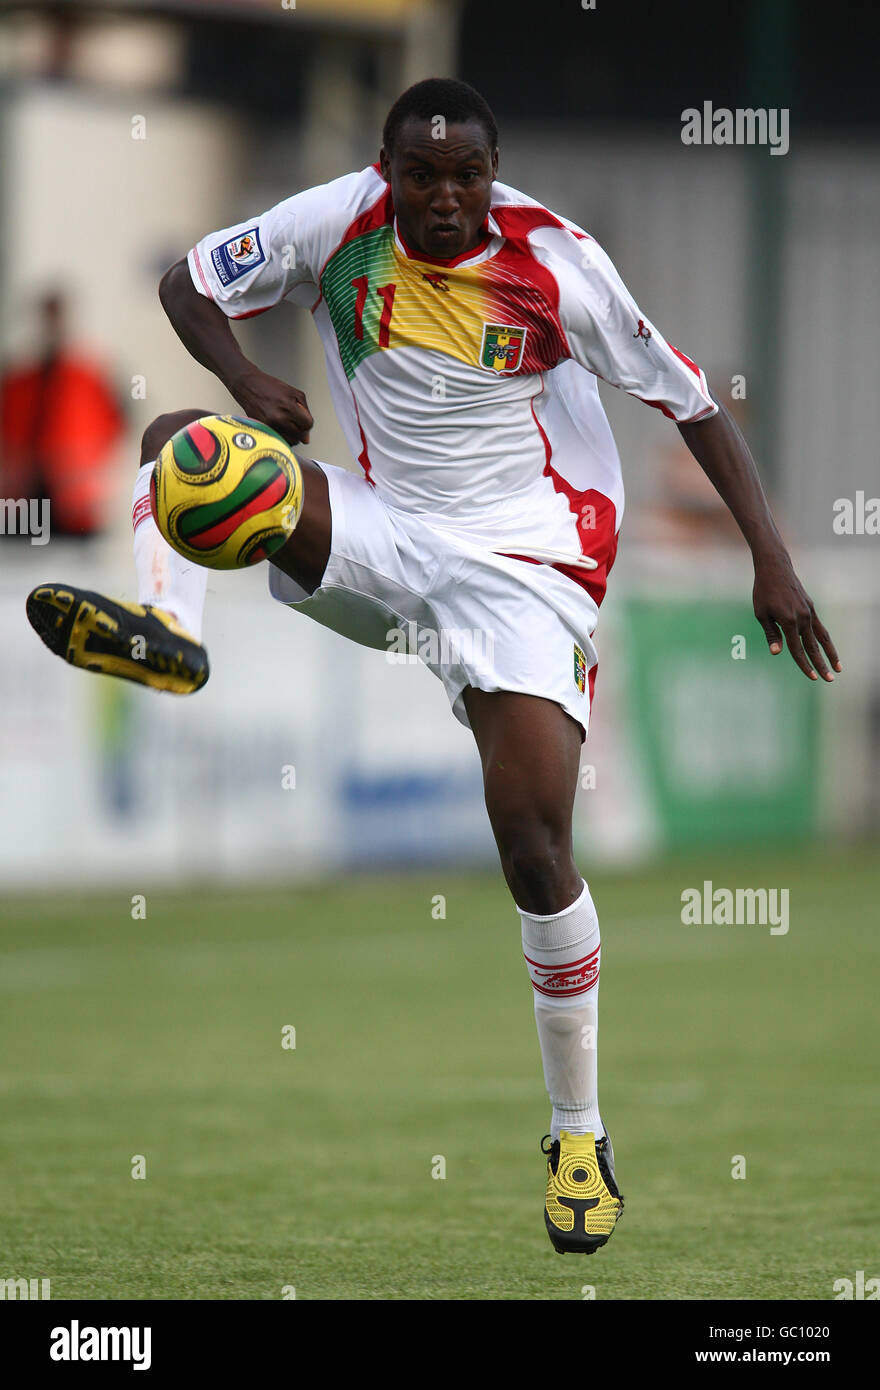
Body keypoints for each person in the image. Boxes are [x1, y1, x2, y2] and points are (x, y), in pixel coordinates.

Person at [26, 78, 840, 1255]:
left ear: (494, 173)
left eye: (467, 177)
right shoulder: (336, 223)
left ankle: (576, 1130)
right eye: (422, 176)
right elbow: (186, 283)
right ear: (387, 168)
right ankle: (175, 637)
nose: (446, 198)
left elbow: (690, 400)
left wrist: (772, 560)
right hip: (386, 531)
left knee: (532, 842)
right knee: (182, 450)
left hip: (530, 566)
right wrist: (247, 380)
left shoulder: (556, 259)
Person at [1, 290, 124, 538]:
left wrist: (83, 467)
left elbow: (115, 425)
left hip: (72, 499)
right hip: (22, 497)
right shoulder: (18, 380)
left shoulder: (88, 378)